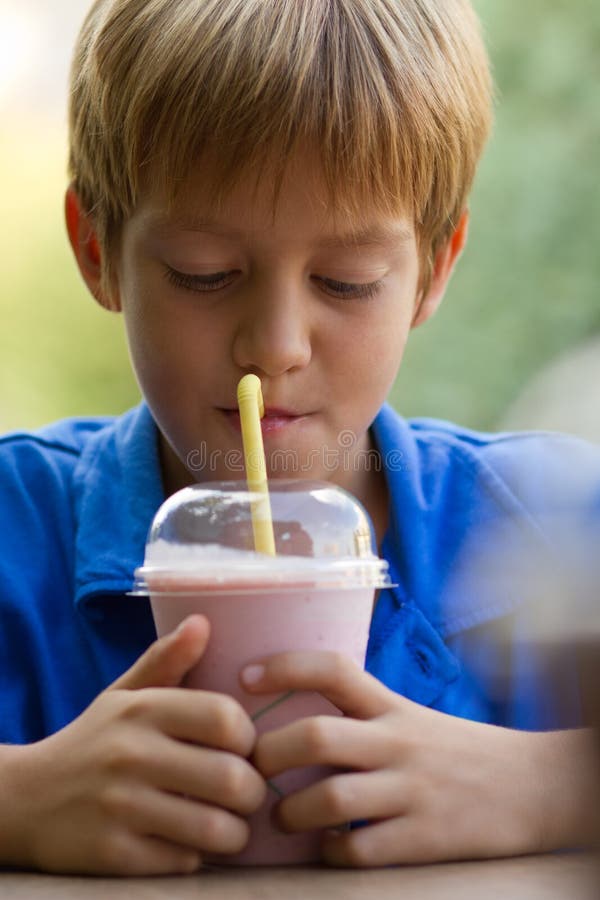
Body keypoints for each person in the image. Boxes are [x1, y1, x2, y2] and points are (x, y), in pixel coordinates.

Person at [1, 0, 599, 876]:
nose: (274, 347)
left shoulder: (550, 525)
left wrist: (552, 784)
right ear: (98, 249)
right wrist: (19, 798)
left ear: (434, 268)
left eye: (347, 281)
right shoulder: (19, 529)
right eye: (205, 275)